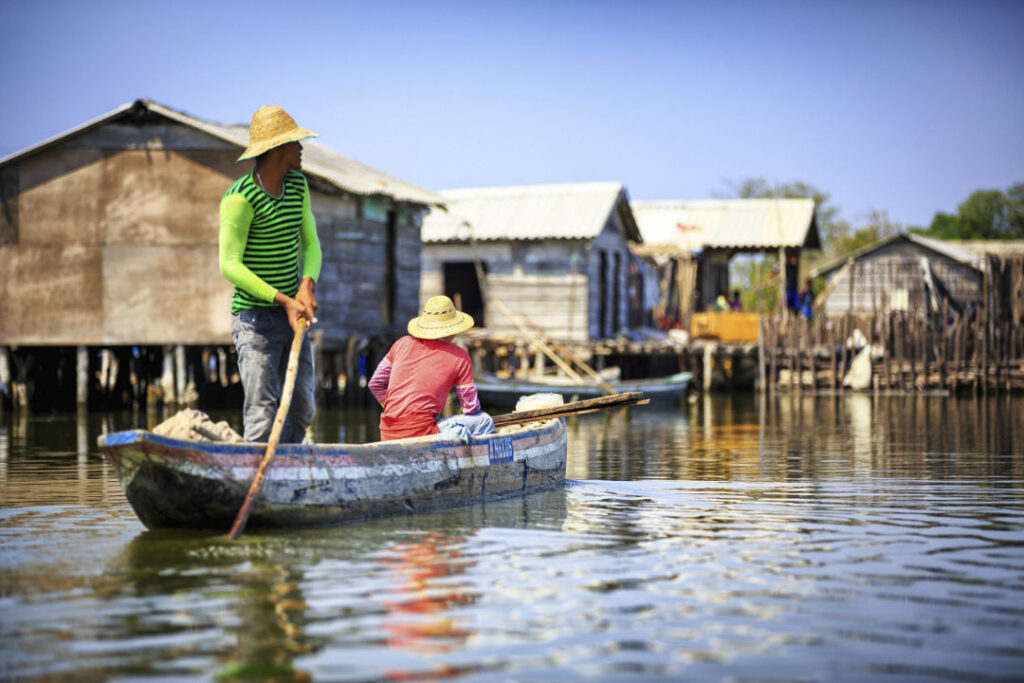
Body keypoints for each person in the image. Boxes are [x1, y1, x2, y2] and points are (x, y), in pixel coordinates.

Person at [219, 105, 322, 443]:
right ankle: (258, 474)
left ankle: (284, 472)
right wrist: (283, 300)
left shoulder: (297, 186)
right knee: (263, 412)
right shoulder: (240, 199)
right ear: (277, 150)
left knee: (302, 407)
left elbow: (310, 244)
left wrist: (306, 287)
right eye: (296, 142)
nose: (302, 148)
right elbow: (229, 265)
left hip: (292, 316)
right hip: (254, 320)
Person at [368, 296, 495, 441]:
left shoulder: (401, 344)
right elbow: (470, 408)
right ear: (452, 329)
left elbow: (375, 384)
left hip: (387, 433)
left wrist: (397, 409)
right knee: (484, 420)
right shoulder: (460, 356)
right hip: (422, 432)